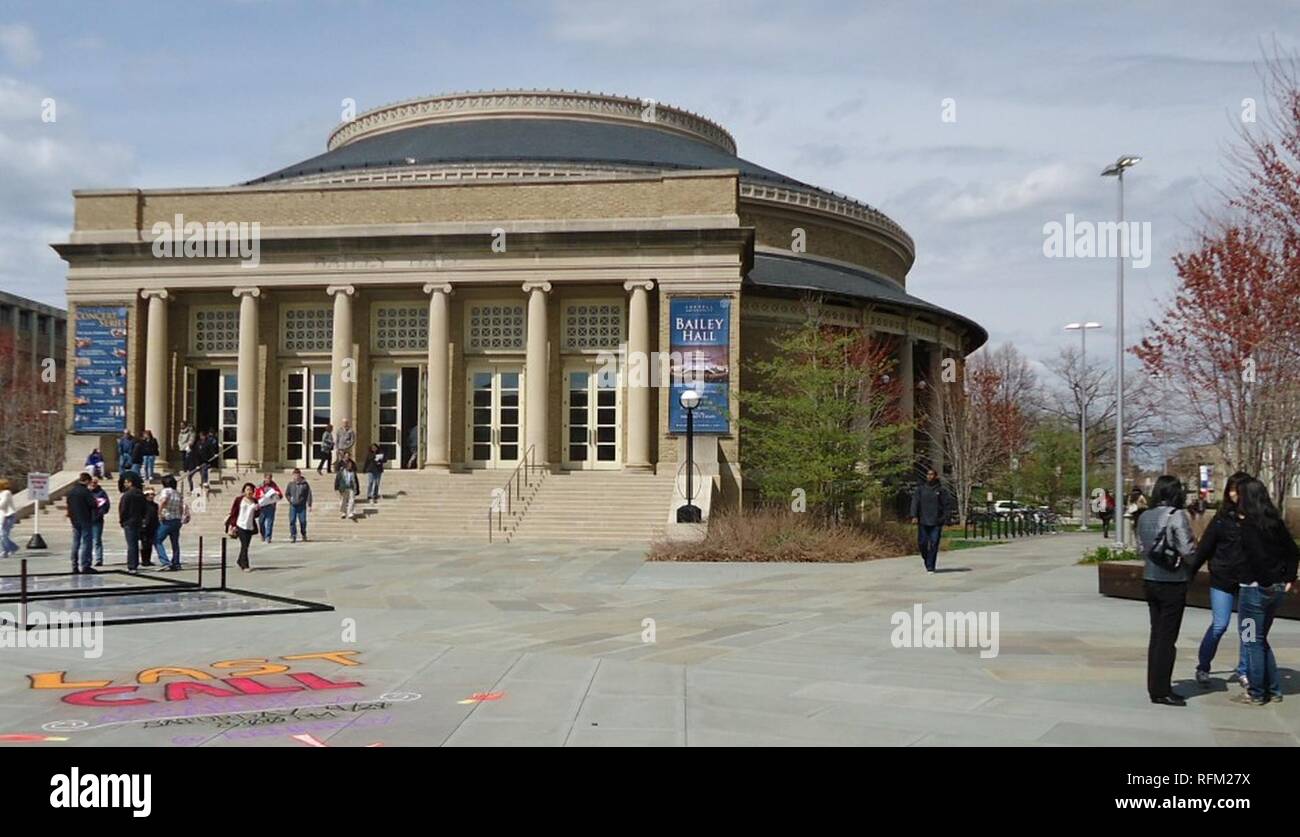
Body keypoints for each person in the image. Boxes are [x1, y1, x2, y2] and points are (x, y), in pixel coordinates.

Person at [1231, 477, 1299, 706]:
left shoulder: (1249, 526)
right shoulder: (1275, 522)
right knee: (1261, 640)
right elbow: (1293, 551)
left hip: (1255, 591)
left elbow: (1257, 558)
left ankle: (1257, 692)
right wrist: (1288, 577)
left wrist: (1265, 581)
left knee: (1250, 640)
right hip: (1276, 589)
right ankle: (1274, 688)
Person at [1136, 475, 1199, 706]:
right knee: (1167, 637)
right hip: (1173, 581)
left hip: (1150, 578)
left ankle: (1155, 686)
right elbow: (1187, 547)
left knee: (1156, 634)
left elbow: (1140, 548)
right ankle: (1162, 690)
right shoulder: (1176, 515)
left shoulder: (1144, 516)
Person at [1188, 471, 1252, 688]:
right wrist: (1191, 571)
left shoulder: (1256, 518)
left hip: (1248, 580)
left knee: (1248, 628)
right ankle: (1203, 667)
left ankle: (1245, 669)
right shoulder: (1222, 519)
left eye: (1238, 490)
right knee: (1219, 625)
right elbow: (1205, 547)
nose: (1234, 494)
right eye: (1231, 490)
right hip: (1222, 577)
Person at [909, 467, 950, 574]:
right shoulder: (921, 489)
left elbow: (946, 506)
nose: (930, 476)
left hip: (936, 521)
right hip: (923, 521)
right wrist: (914, 516)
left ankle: (930, 566)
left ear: (936, 476)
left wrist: (945, 518)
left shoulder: (941, 490)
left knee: (934, 543)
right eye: (928, 474)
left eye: (932, 474)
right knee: (922, 543)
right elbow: (915, 503)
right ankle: (927, 559)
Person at [65, 473, 97, 574]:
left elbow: (68, 505)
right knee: (86, 543)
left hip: (74, 520)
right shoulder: (85, 492)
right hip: (85, 519)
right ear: (87, 480)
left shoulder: (71, 491)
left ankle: (74, 565)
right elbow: (93, 504)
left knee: (76, 543)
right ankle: (85, 565)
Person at [225, 482, 260, 572]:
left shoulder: (255, 501)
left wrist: (257, 509)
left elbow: (256, 515)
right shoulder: (239, 500)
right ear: (244, 490)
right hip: (240, 524)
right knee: (244, 545)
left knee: (246, 545)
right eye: (247, 489)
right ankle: (245, 565)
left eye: (251, 490)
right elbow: (234, 512)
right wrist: (233, 525)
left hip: (249, 526)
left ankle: (240, 560)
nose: (249, 492)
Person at [154, 475, 187, 571]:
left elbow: (164, 501)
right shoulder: (178, 493)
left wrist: (159, 513)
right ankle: (176, 562)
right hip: (176, 519)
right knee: (175, 542)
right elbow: (181, 507)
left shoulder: (166, 491)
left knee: (157, 539)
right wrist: (180, 517)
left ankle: (165, 562)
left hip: (167, 519)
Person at [118, 473, 146, 573]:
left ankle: (132, 565)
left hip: (129, 522)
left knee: (131, 544)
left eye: (127, 482)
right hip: (138, 521)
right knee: (135, 544)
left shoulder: (127, 495)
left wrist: (122, 520)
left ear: (131, 483)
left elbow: (123, 509)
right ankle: (135, 563)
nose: (125, 484)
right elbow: (144, 508)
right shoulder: (140, 494)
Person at [285, 468, 312, 543]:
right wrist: (290, 499)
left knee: (303, 521)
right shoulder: (290, 484)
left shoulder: (305, 484)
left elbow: (309, 494)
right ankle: (293, 535)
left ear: (300, 475)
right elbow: (287, 494)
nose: (296, 476)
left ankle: (304, 533)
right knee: (292, 521)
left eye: (297, 474)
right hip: (293, 506)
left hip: (302, 506)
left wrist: (309, 504)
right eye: (295, 475)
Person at [254, 473, 282, 543]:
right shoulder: (260, 486)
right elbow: (256, 496)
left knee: (269, 522)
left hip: (270, 506)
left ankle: (268, 537)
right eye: (267, 478)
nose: (268, 480)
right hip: (262, 506)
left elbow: (280, 495)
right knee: (261, 522)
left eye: (269, 478)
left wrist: (276, 496)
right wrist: (260, 497)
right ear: (264, 478)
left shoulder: (274, 486)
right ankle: (263, 534)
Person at [89, 477, 110, 566]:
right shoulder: (86, 493)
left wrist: (100, 514)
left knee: (97, 540)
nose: (93, 484)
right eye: (92, 482)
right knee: (87, 541)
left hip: (97, 520)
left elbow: (106, 505)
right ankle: (87, 559)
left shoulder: (101, 493)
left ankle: (99, 559)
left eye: (95, 482)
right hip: (87, 520)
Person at [140, 488, 159, 568]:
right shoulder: (142, 504)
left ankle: (148, 559)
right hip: (144, 526)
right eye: (150, 495)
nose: (151, 496)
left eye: (153, 495)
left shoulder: (155, 505)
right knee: (144, 543)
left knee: (150, 544)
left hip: (153, 526)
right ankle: (144, 560)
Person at [0, 479, 19, 558]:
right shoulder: (1, 493)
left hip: (9, 515)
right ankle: (13, 548)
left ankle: (5, 551)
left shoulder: (7, 493)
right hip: (3, 516)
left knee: (3, 534)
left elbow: (3, 504)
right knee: (2, 534)